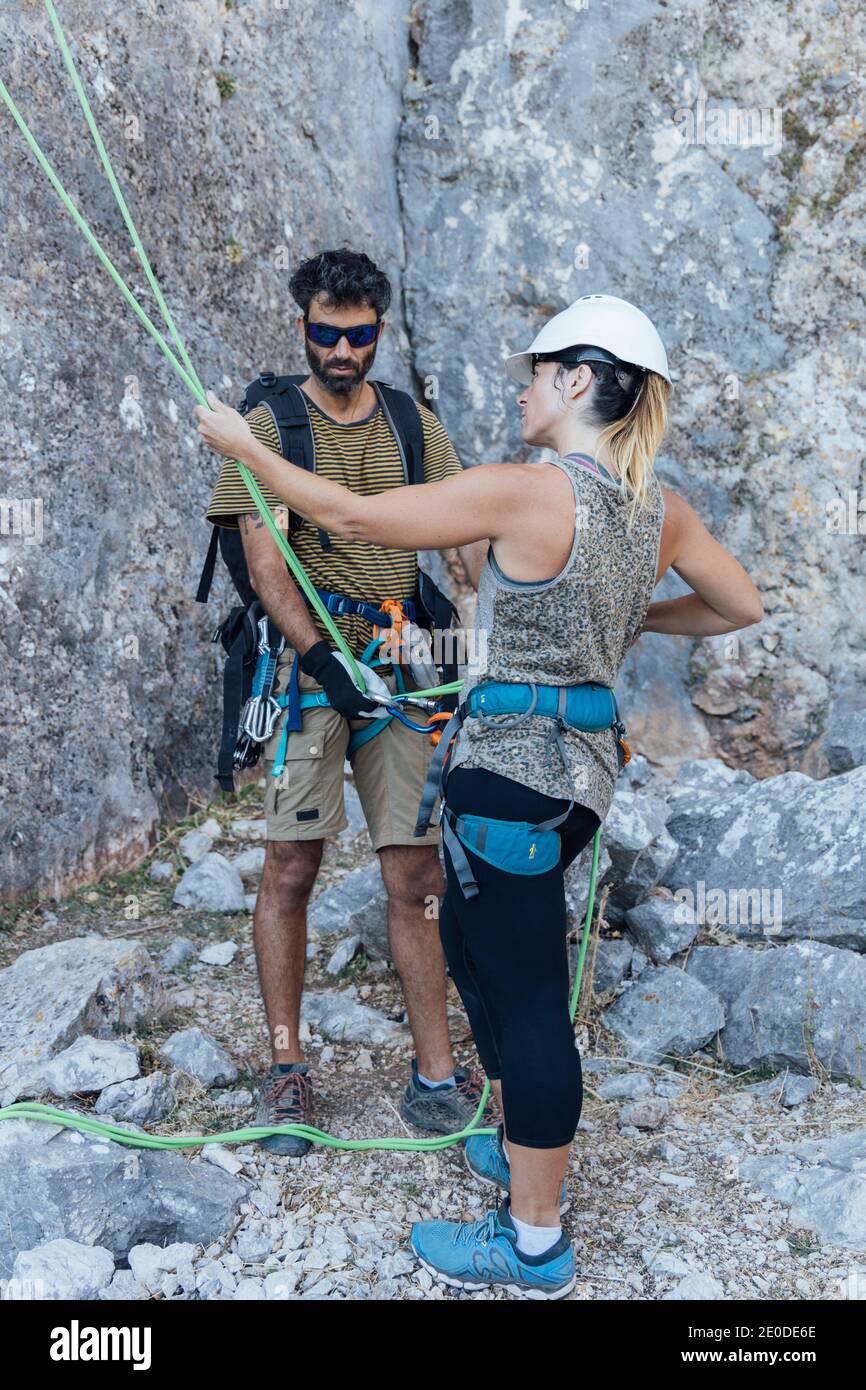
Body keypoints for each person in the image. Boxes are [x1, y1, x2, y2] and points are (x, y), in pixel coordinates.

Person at [195, 292, 764, 1298]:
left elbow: (350, 515)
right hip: (577, 770)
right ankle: (516, 1147)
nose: (519, 386)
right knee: (474, 947)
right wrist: (628, 619)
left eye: (536, 370)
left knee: (527, 992)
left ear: (578, 383)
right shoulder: (656, 507)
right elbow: (737, 603)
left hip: (513, 769)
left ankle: (533, 1240)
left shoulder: (527, 492)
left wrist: (242, 445)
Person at [203, 248, 492, 1158]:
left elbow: (461, 532)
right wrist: (327, 664)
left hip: (403, 669)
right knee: (291, 864)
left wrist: (476, 638)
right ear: (303, 327)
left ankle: (437, 1075)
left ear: (378, 334)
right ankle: (286, 1065)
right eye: (324, 332)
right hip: (308, 677)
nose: (340, 349)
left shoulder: (410, 425)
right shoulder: (267, 427)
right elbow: (264, 563)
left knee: (414, 875)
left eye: (357, 335)